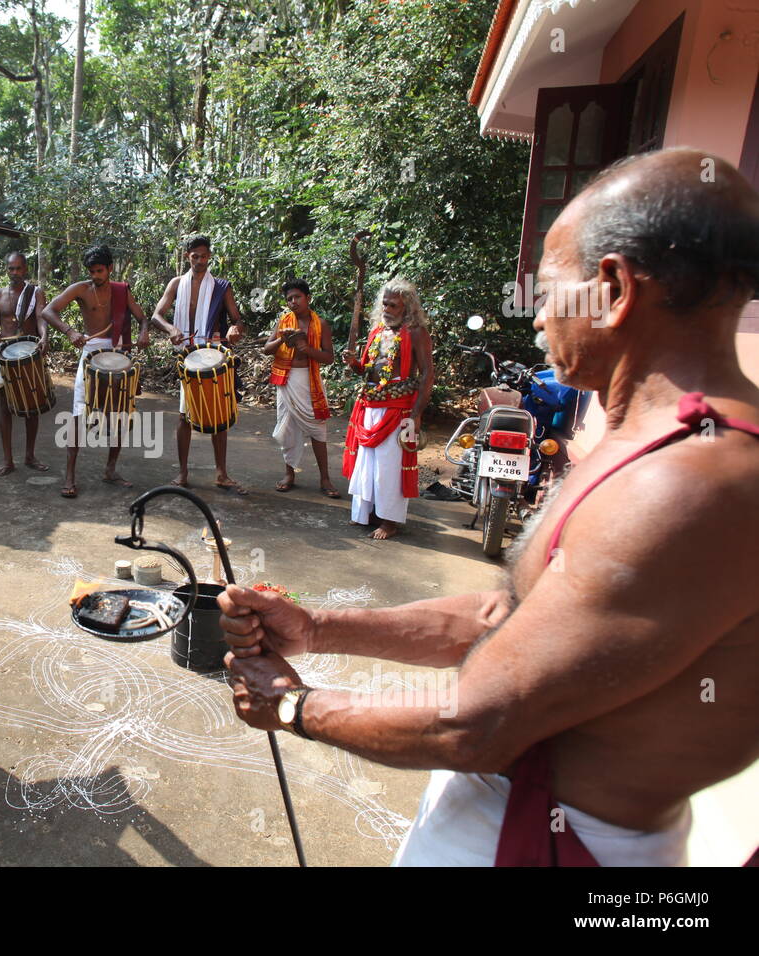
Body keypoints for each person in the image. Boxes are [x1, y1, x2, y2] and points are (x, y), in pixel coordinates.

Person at [217, 148, 759, 866]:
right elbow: (506, 618)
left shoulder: (689, 482)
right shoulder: (647, 442)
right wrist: (314, 627)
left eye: (546, 287)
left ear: (614, 289)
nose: (533, 313)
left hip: (558, 844)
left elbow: (478, 726)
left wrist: (293, 705)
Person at [40, 244, 150, 498]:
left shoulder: (122, 290)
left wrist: (143, 332)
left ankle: (110, 469)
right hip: (91, 354)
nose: (95, 275)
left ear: (110, 269)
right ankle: (69, 476)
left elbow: (142, 317)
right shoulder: (81, 288)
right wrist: (70, 331)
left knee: (121, 411)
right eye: (92, 271)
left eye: (100, 270)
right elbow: (48, 311)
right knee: (79, 413)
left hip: (120, 352)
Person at [150, 235, 249, 494]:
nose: (201, 261)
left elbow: (238, 321)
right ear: (187, 257)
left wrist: (234, 330)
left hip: (214, 355)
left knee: (220, 413)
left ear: (209, 257)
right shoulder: (176, 283)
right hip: (188, 356)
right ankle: (182, 472)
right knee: (184, 415)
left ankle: (221, 473)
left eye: (205, 256)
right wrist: (171, 328)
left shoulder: (220, 287)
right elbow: (156, 315)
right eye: (196, 256)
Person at [341, 279, 433, 539]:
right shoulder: (378, 331)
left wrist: (415, 416)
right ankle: (367, 513)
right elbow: (371, 371)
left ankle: (389, 522)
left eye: (393, 305)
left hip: (398, 408)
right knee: (367, 464)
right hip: (370, 403)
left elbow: (427, 374)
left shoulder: (416, 332)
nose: (388, 308)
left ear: (407, 307)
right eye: (385, 303)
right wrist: (355, 365)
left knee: (388, 467)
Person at [265, 279, 339, 496]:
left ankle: (325, 479)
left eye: (297, 297)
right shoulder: (283, 322)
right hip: (286, 380)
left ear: (308, 298)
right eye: (289, 299)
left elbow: (329, 357)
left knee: (318, 427)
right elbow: (266, 349)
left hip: (309, 380)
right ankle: (289, 474)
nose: (293, 302)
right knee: (287, 428)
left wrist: (306, 349)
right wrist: (282, 340)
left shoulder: (321, 324)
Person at [0, 252, 49, 476]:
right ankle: (8, 460)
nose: (14, 273)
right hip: (5, 355)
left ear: (25, 269)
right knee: (5, 408)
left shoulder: (35, 293)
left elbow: (42, 318)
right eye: (10, 269)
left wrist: (44, 337)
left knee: (31, 407)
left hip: (29, 353)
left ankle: (30, 456)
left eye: (18, 269)